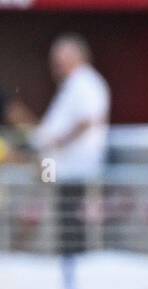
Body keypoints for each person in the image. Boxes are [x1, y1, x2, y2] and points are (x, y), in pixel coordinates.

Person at [12, 35, 111, 255]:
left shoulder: (86, 83)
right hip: (59, 169)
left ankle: (72, 272)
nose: (55, 67)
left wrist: (56, 142)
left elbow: (87, 120)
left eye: (59, 61)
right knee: (63, 229)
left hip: (75, 170)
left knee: (73, 230)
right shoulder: (73, 84)